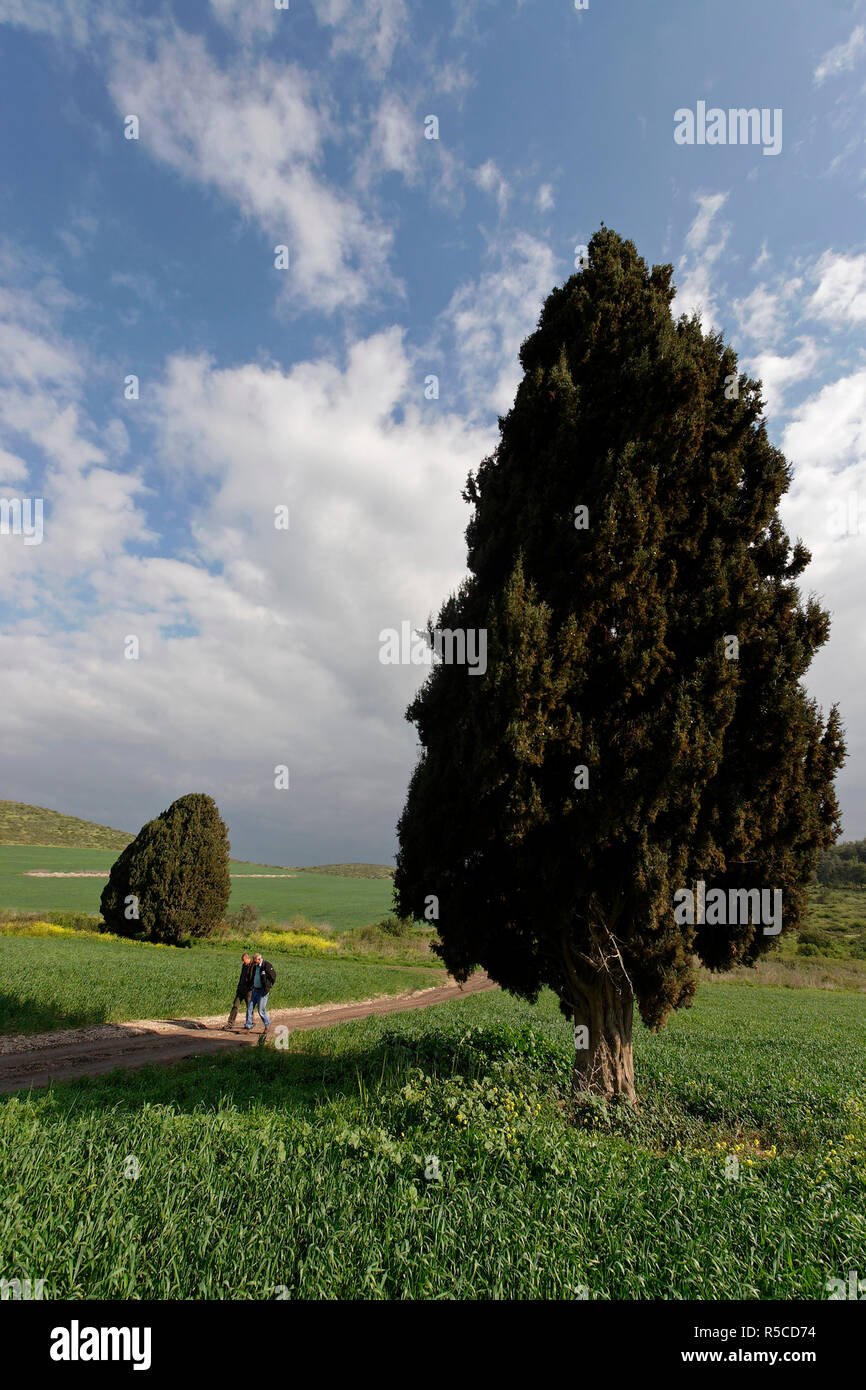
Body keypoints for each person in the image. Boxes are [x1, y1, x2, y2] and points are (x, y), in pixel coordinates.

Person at [245, 952, 276, 1033]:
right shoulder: (255, 966)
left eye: (255, 962)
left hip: (263, 991)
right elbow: (252, 976)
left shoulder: (267, 965)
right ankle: (248, 1027)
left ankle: (267, 1025)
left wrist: (268, 987)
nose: (254, 963)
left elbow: (273, 976)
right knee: (249, 1008)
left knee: (261, 1010)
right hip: (255, 990)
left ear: (259, 959)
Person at [226, 952, 253, 1032]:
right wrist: (239, 987)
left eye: (244, 960)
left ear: (248, 959)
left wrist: (250, 988)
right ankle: (230, 1023)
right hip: (241, 990)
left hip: (248, 991)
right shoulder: (244, 966)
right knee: (235, 1006)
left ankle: (250, 1023)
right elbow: (241, 977)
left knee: (249, 1007)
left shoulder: (253, 966)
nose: (243, 962)